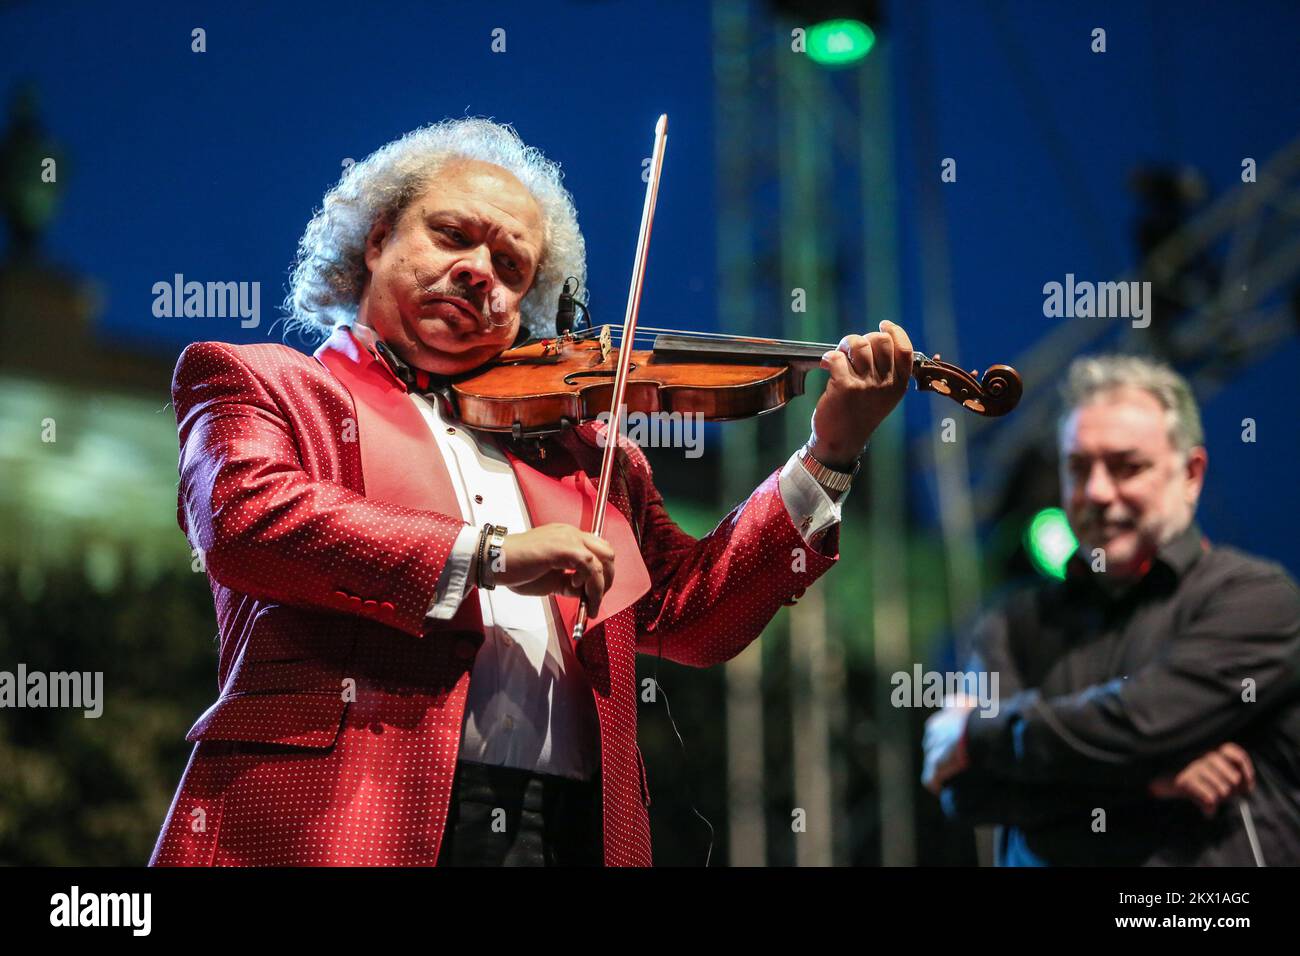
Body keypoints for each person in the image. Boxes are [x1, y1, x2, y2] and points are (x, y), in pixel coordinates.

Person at [149, 118, 914, 866]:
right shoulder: (266, 382)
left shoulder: (585, 455)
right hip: (344, 819)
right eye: (452, 235)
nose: (480, 271)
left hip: (567, 830)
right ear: (378, 240)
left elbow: (693, 617)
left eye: (511, 268)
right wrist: (488, 555)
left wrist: (831, 450)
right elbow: (247, 519)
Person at [922, 355, 1300, 865]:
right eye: (1078, 468)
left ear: (1190, 474)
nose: (1097, 492)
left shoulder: (1258, 600)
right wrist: (1151, 778)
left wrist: (974, 734)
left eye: (1128, 467)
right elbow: (964, 791)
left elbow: (1140, 725)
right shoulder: (1013, 623)